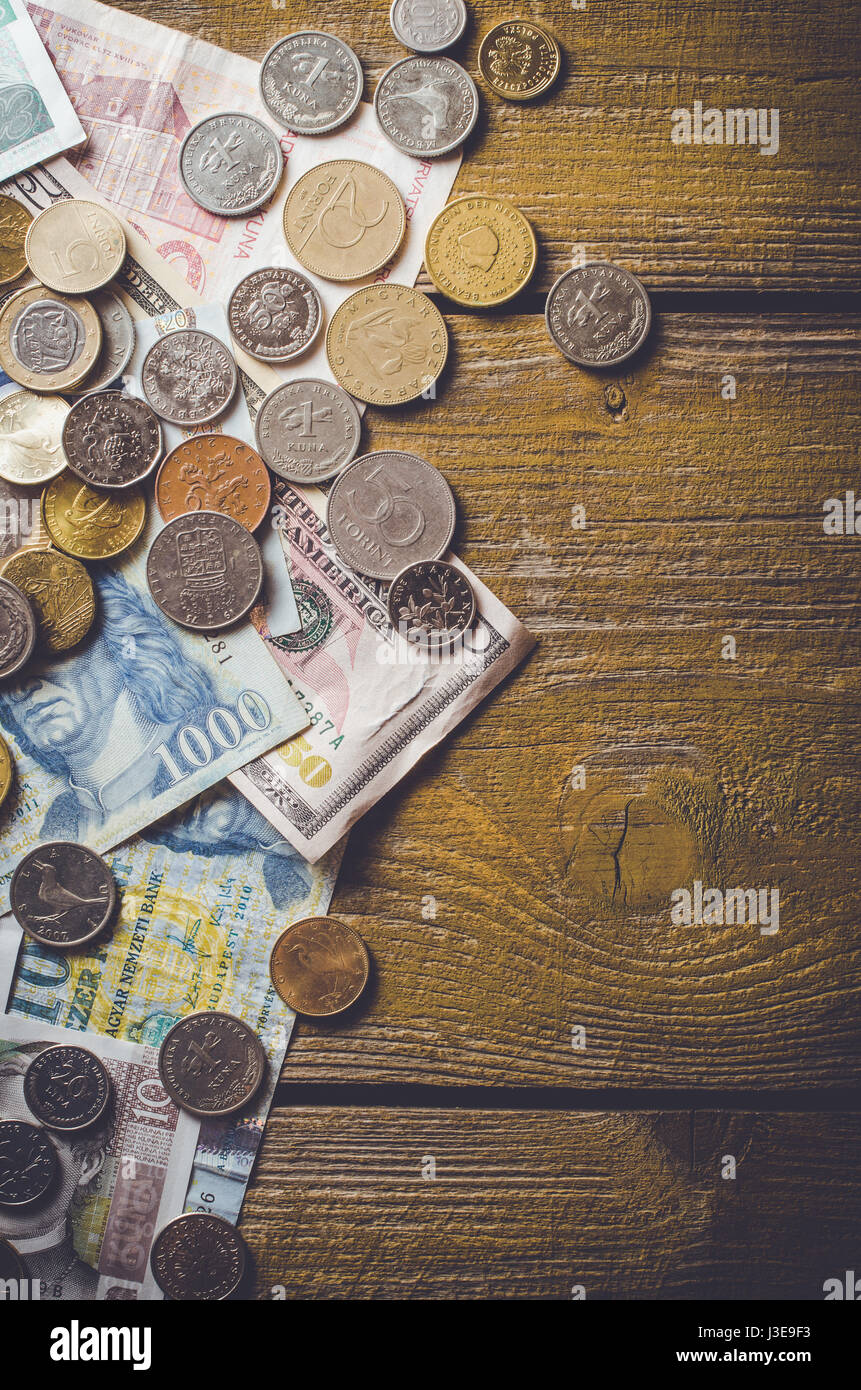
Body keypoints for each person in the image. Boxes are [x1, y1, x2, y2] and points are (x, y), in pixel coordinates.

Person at [0, 569, 215, 842]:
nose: (20, 691)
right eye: (6, 677)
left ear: (123, 644)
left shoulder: (206, 746)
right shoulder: (61, 826)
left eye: (48, 654)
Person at [0, 1042, 111, 1300]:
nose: (8, 1159)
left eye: (43, 1145)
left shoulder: (93, 1293)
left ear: (88, 1165)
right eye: (3, 1130)